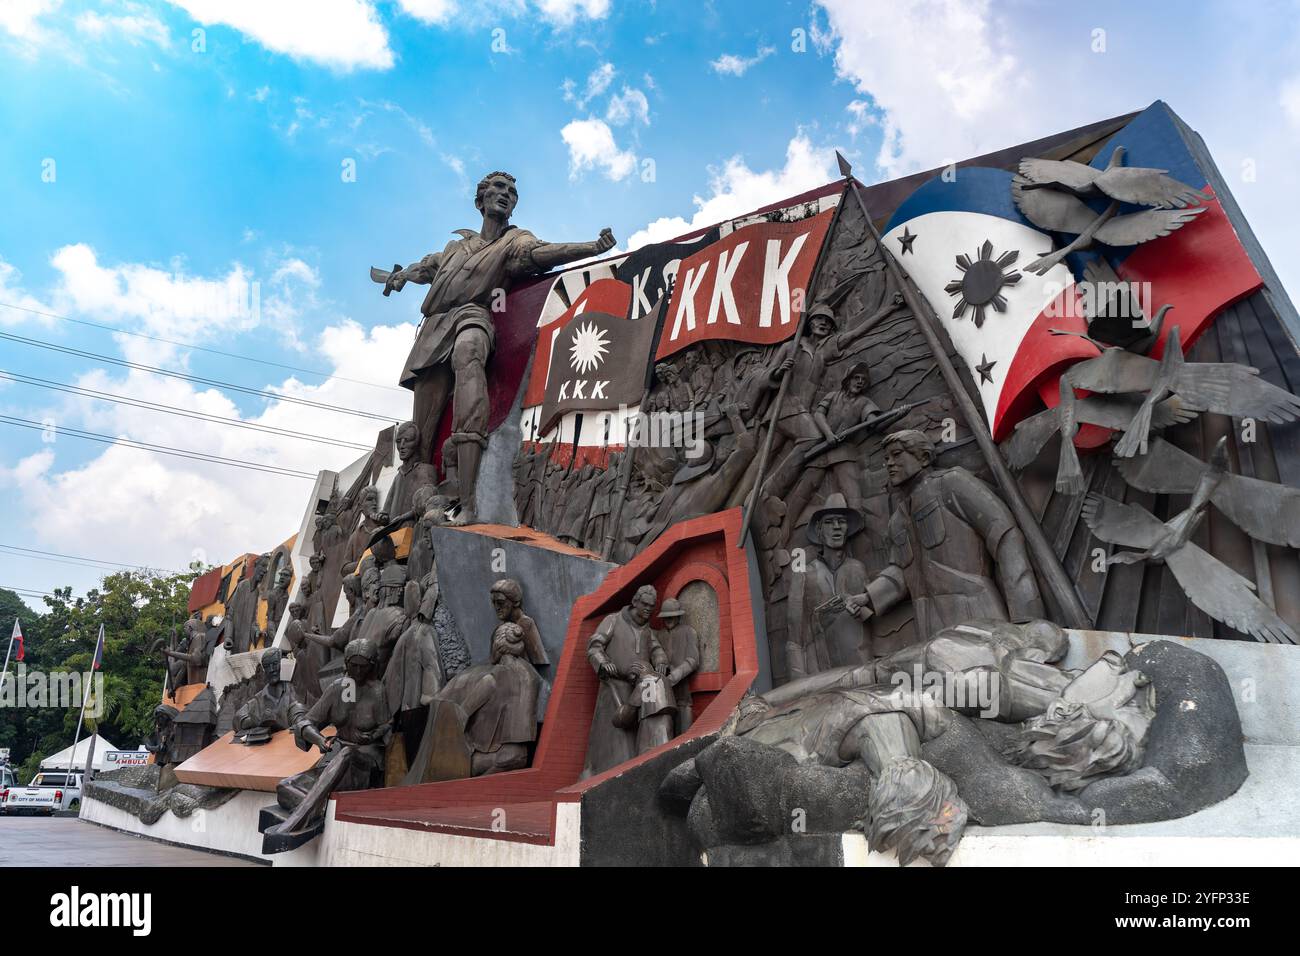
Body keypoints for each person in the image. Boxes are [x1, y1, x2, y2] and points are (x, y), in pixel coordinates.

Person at [379, 171, 616, 523]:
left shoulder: (514, 241)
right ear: (481, 200)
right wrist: (398, 277)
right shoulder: (453, 248)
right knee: (421, 435)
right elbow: (422, 268)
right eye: (499, 189)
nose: (506, 195)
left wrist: (589, 248)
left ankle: (470, 501)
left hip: (474, 315)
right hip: (433, 328)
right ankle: (414, 508)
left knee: (469, 351)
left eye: (512, 192)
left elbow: (540, 254)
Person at [844, 430, 1044, 644]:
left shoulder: (952, 483)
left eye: (897, 454)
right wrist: (869, 597)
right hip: (930, 627)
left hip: (976, 613)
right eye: (886, 459)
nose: (890, 464)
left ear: (924, 458)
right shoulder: (898, 520)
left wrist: (1026, 619)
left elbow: (1005, 537)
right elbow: (903, 570)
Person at [431, 578, 550, 776]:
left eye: (501, 603)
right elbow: (493, 659)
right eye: (493, 603)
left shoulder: (525, 625)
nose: (496, 608)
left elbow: (538, 660)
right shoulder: (503, 629)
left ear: (516, 602)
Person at [583, 585, 676, 777]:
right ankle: (601, 774)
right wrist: (603, 662)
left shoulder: (647, 630)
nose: (648, 609)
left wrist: (660, 661)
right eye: (644, 604)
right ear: (635, 602)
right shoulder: (613, 620)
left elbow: (657, 650)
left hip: (638, 687)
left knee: (636, 735)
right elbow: (594, 646)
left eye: (652, 606)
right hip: (614, 686)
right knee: (615, 737)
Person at [786, 493, 872, 678]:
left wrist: (861, 608)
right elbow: (795, 637)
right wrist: (799, 683)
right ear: (819, 529)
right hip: (821, 671)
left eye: (841, 521)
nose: (836, 527)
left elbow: (871, 616)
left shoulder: (857, 569)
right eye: (830, 522)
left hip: (859, 668)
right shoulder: (803, 574)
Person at [655, 597, 700, 735]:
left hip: (682, 691)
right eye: (666, 617)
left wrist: (676, 675)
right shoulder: (659, 635)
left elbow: (693, 660)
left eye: (672, 617)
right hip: (662, 692)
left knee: (684, 732)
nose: (669, 620)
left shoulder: (688, 632)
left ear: (678, 616)